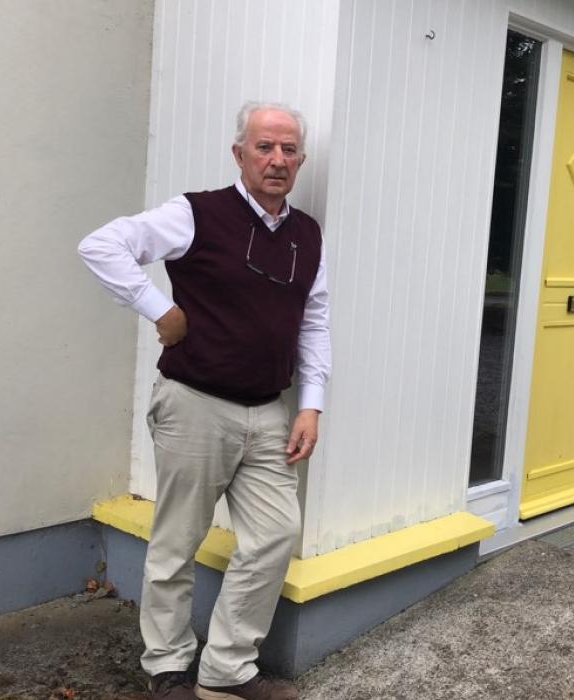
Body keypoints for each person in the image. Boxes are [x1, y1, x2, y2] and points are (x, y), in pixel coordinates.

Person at [78, 102, 329, 700]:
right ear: (239, 153)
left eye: (289, 150)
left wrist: (310, 404)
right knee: (177, 542)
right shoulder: (195, 214)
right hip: (194, 404)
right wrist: (158, 308)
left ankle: (226, 670)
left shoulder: (306, 234)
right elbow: (102, 245)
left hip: (269, 411)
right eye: (265, 147)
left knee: (273, 536)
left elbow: (313, 319)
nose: (277, 160)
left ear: (301, 160)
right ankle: (166, 667)